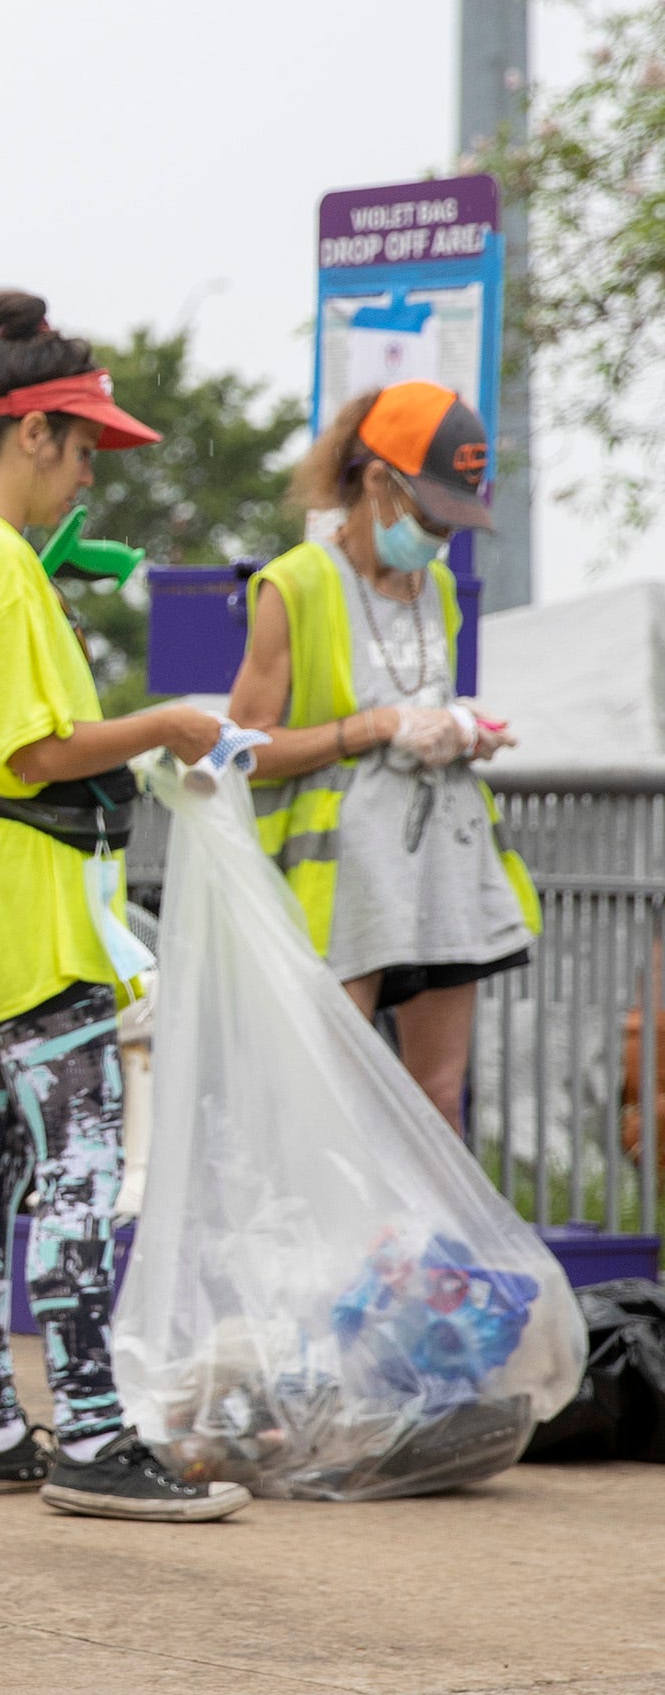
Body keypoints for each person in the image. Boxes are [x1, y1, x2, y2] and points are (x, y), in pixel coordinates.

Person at [0, 289, 247, 1524]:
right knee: (79, 1166)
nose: (89, 476)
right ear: (32, 432)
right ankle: (91, 1434)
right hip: (29, 901)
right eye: (84, 448)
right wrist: (173, 724)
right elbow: (39, 750)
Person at [226, 381, 538, 1134]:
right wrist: (374, 727)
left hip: (440, 864)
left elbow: (425, 695)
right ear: (377, 481)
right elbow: (241, 750)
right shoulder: (296, 584)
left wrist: (459, 729)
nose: (441, 534)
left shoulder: (438, 586)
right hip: (341, 879)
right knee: (329, 1097)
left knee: (439, 1097)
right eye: (432, 514)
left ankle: (432, 1220)